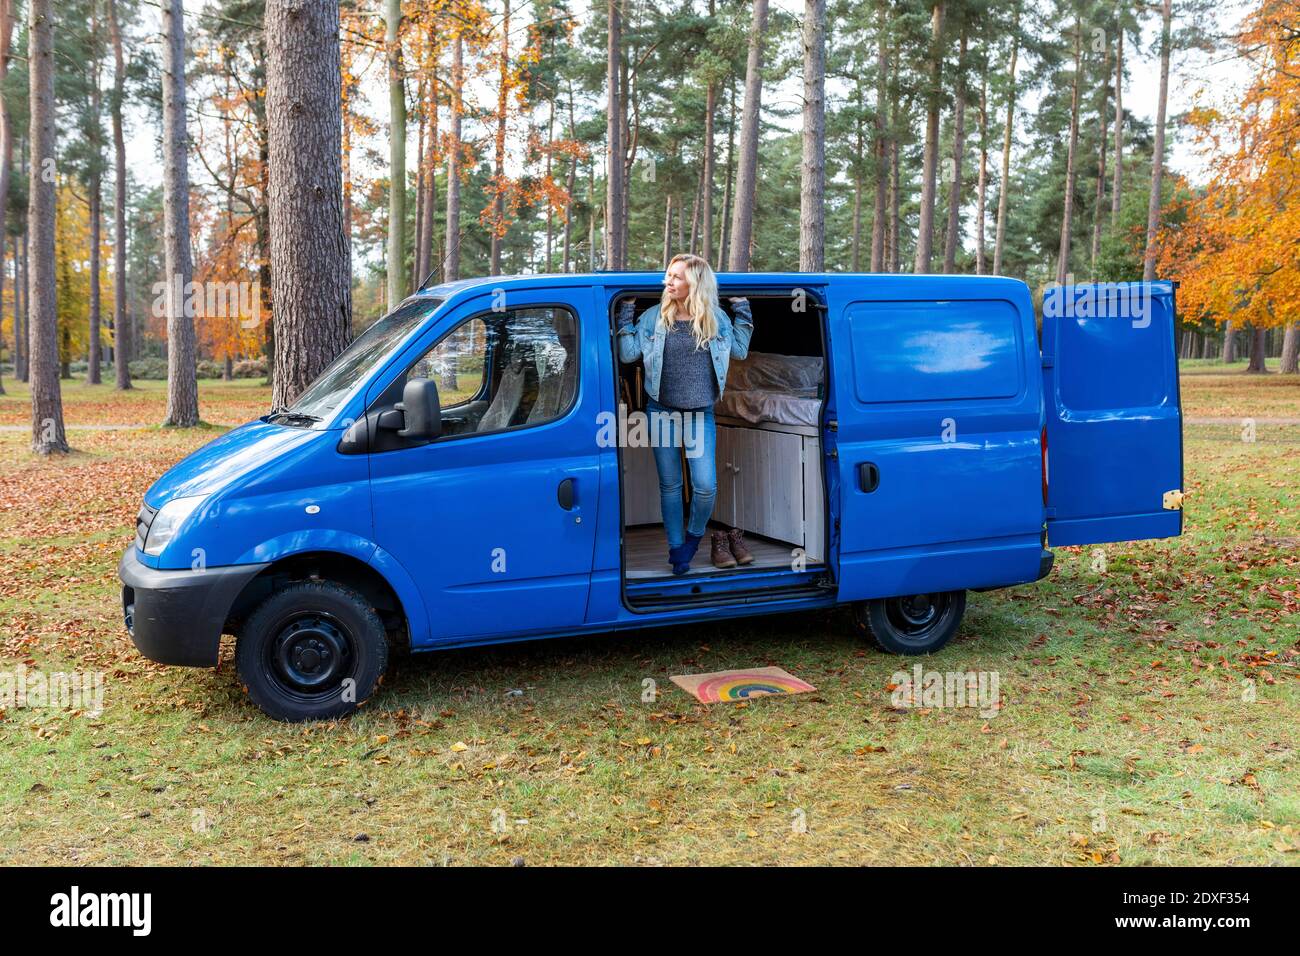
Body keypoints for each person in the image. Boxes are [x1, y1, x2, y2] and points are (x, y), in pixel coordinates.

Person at [616, 253, 755, 575]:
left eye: (676, 276)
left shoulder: (715, 318)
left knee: (705, 486)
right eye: (668, 275)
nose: (668, 282)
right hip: (661, 411)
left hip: (699, 414)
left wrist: (743, 309)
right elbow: (628, 353)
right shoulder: (653, 317)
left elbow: (740, 351)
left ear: (695, 282)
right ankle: (677, 548)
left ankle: (694, 538)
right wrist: (625, 312)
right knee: (671, 485)